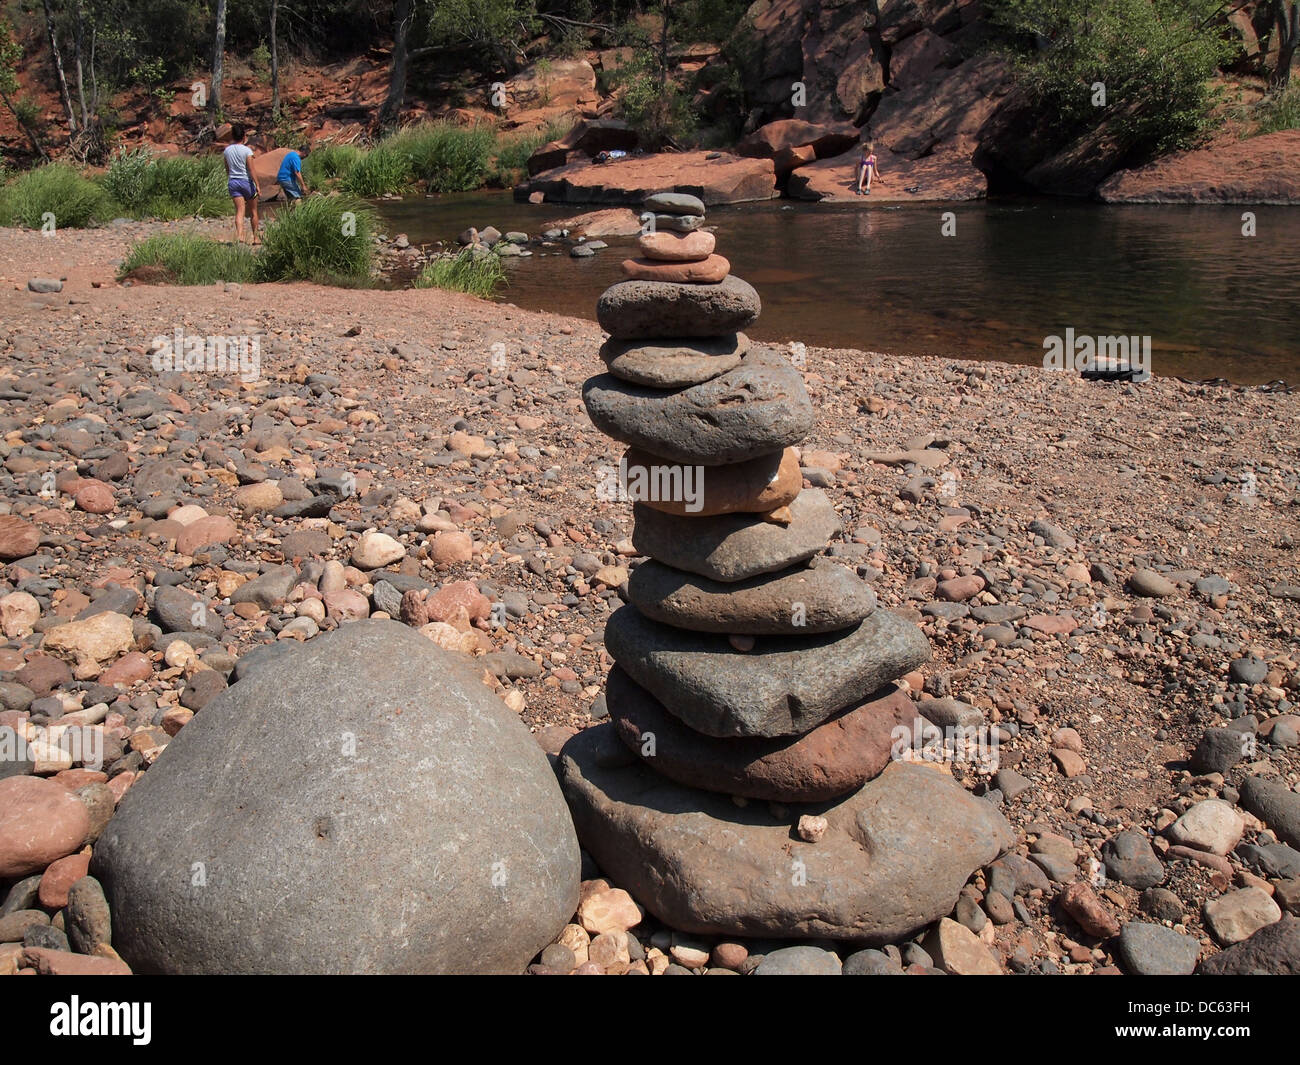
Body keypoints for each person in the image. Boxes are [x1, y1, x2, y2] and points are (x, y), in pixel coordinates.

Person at [222, 123, 260, 244]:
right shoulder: (247, 151)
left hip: (233, 182)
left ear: (232, 136)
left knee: (240, 210)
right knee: (253, 211)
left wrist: (231, 178)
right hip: (246, 182)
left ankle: (240, 236)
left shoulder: (227, 151)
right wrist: (257, 185)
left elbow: (227, 169)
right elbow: (251, 169)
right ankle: (256, 238)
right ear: (244, 136)